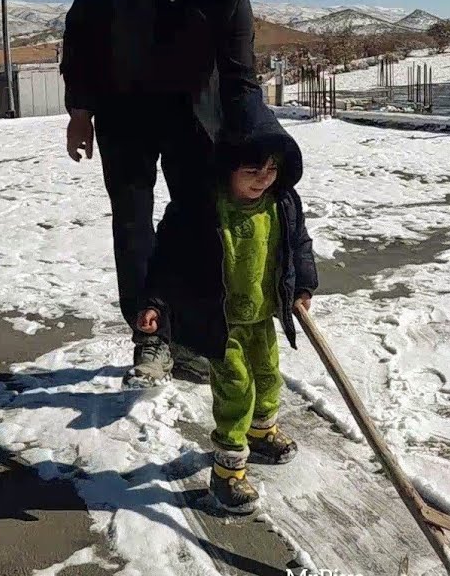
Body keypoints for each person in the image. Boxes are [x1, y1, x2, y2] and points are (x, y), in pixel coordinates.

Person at [60, 0, 263, 383]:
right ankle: (150, 337)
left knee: (196, 221)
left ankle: (190, 337)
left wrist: (259, 143)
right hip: (123, 113)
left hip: (192, 119)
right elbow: (81, 31)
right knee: (133, 223)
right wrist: (80, 111)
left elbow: (240, 78)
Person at [135, 101, 318, 514]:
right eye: (251, 171)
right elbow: (168, 257)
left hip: (261, 314)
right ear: (227, 167)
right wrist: (155, 302)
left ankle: (261, 432)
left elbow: (299, 246)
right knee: (236, 388)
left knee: (268, 376)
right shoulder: (202, 209)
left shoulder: (282, 203)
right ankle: (228, 469)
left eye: (271, 170)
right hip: (221, 321)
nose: (263, 179)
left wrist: (303, 285)